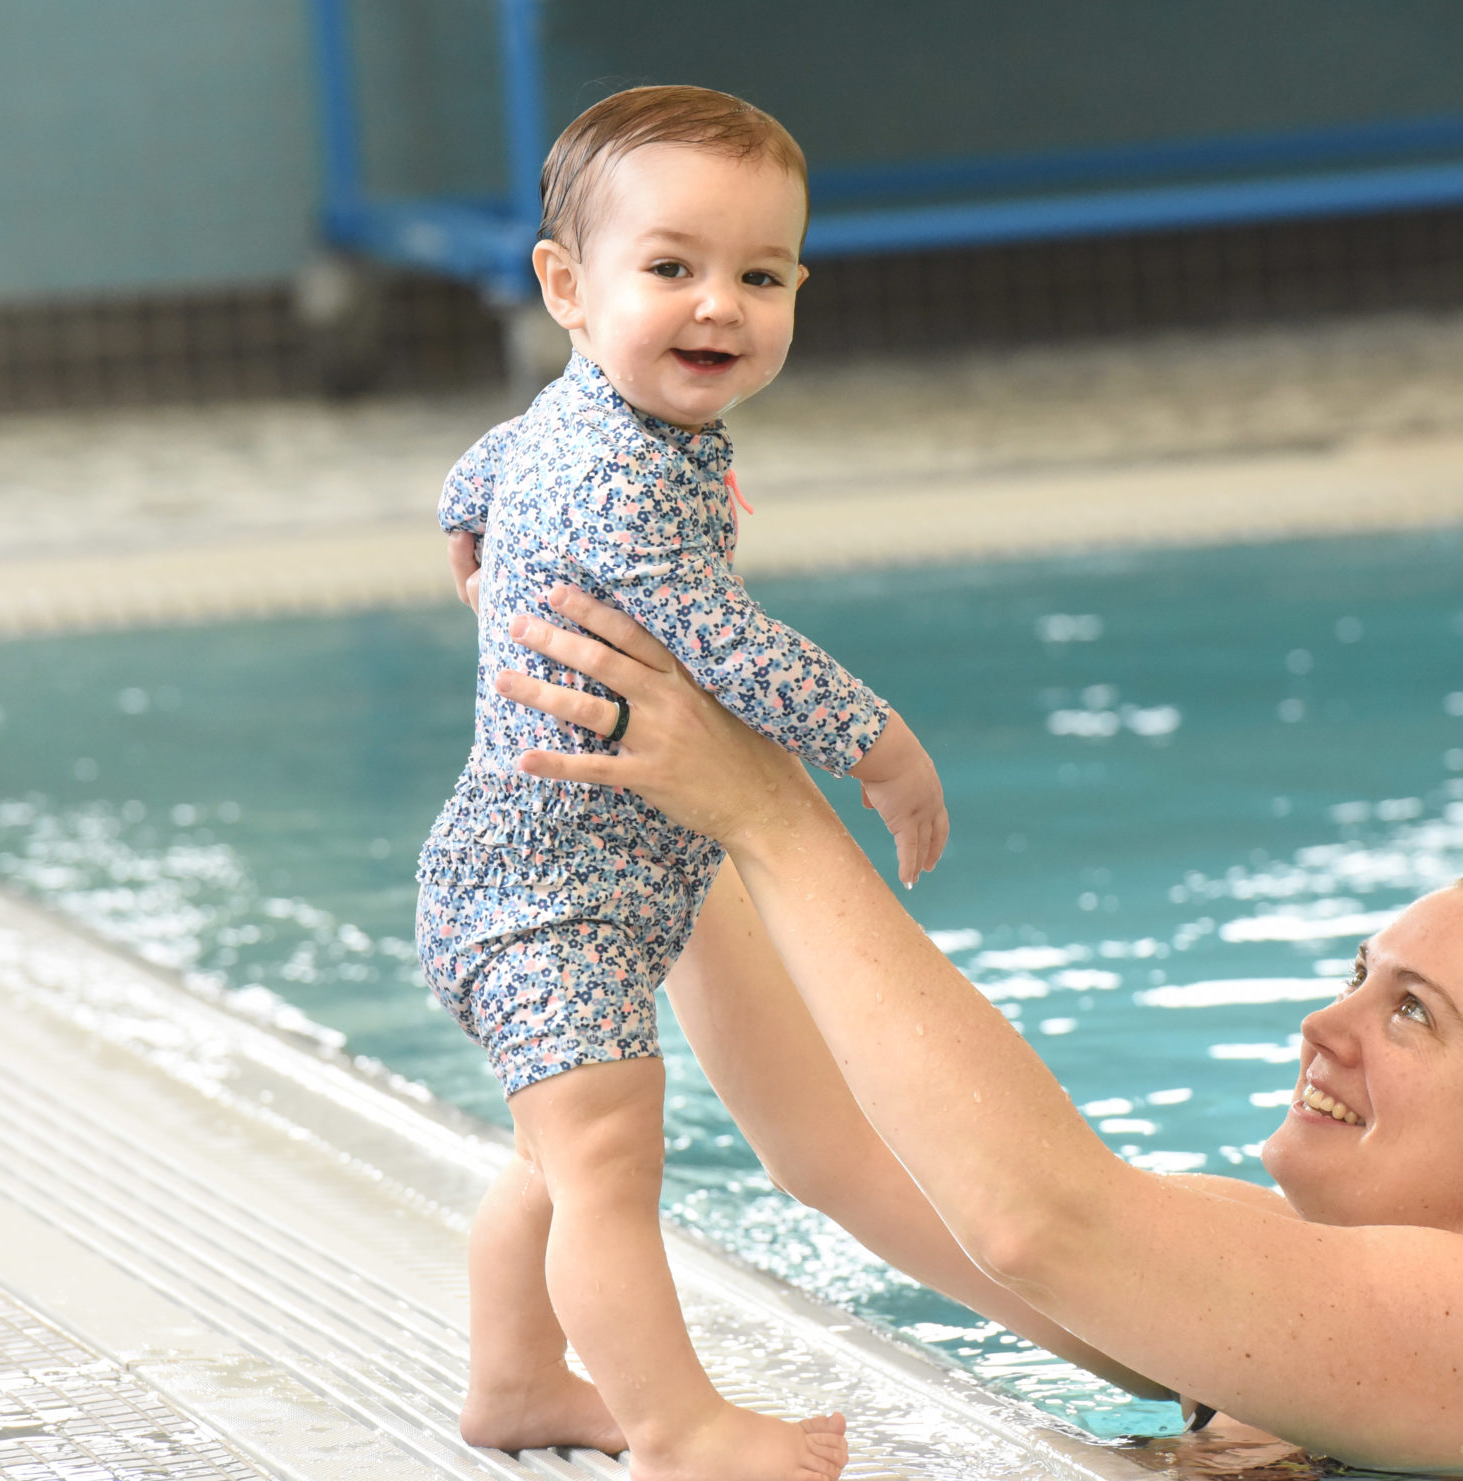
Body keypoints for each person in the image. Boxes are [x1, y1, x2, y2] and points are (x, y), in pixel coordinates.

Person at [482, 584, 1463, 1476]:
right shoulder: (1295, 1293)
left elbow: (1040, 1220)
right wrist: (660, 785)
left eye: (1410, 1009)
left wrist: (773, 808)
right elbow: (838, 1148)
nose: (1324, 1022)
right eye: (1358, 970)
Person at [417, 87, 948, 1480]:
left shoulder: (583, 416)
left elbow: (477, 469)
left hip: (551, 871)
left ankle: (519, 1380)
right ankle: (677, 1430)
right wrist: (885, 749)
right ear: (568, 285)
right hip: (549, 895)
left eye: (760, 276)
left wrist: (474, 543)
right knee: (606, 1162)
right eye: (674, 267)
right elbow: (735, 650)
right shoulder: (625, 478)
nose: (721, 305)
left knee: (553, 1154)